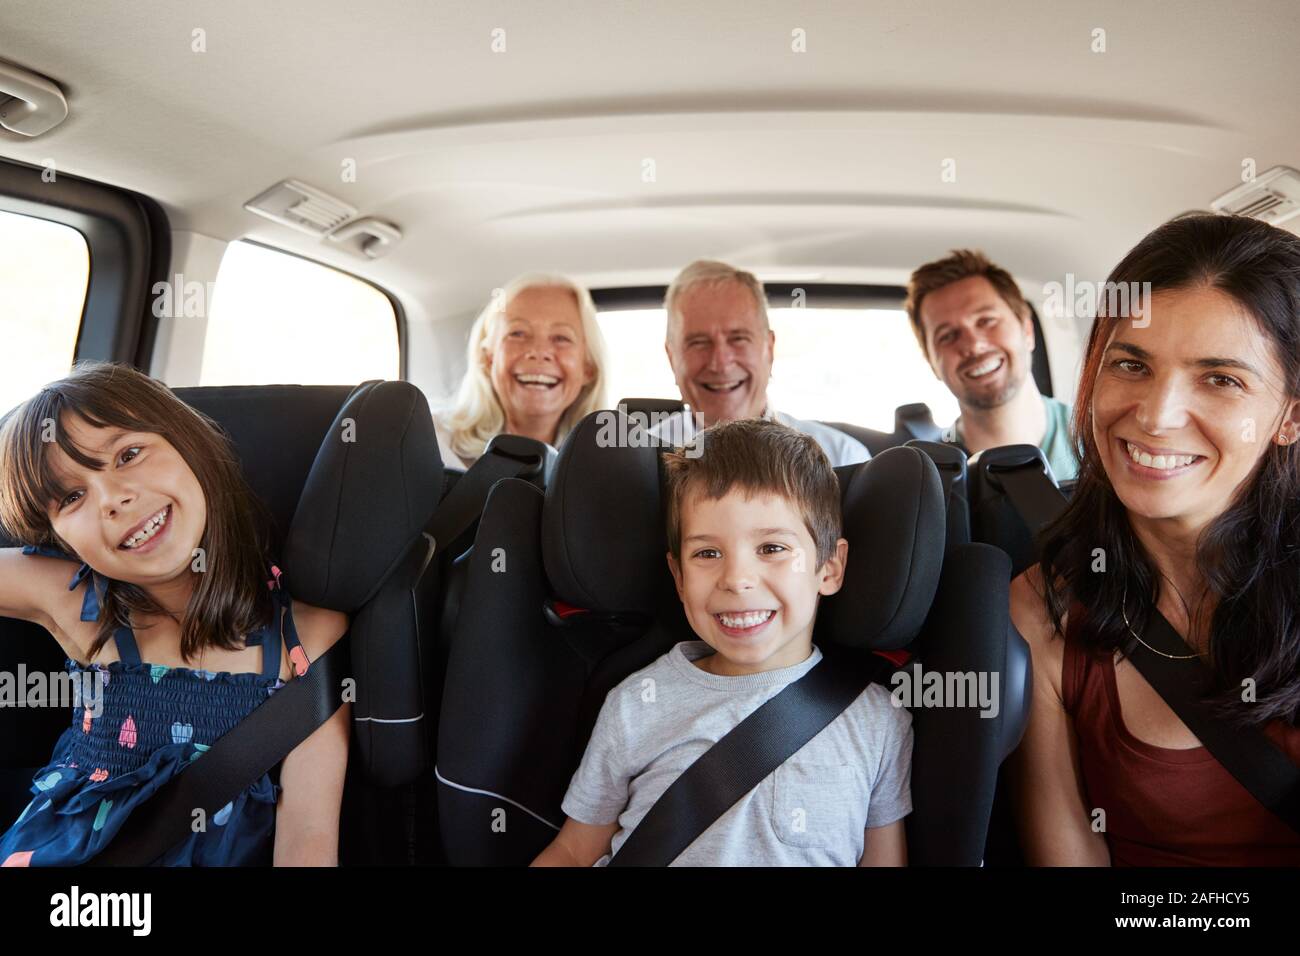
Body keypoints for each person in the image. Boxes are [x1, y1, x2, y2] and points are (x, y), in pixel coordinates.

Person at [1008, 214, 1300, 865]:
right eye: (1131, 364)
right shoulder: (1042, 607)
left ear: (1290, 415)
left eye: (1220, 378)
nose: (1156, 414)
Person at [0, 362, 350, 866]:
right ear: (60, 540)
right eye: (72, 497)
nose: (113, 499)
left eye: (129, 454)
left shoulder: (307, 639)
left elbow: (309, 842)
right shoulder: (80, 605)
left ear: (189, 443)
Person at [531, 419, 910, 866]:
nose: (737, 580)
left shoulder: (877, 722)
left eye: (772, 548)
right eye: (707, 554)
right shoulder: (636, 704)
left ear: (828, 567)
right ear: (678, 576)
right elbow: (575, 853)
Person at [650, 260, 870, 467]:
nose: (720, 363)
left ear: (769, 348)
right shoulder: (642, 461)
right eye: (698, 343)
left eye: (738, 339)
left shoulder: (842, 460)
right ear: (671, 357)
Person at [905, 250, 1078, 481]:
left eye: (986, 321)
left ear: (1027, 330)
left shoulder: (1099, 443)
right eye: (947, 336)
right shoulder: (927, 480)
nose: (974, 345)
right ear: (932, 363)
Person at [435, 273, 608, 469]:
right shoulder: (433, 443)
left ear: (588, 368)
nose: (539, 352)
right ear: (488, 359)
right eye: (517, 333)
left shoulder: (610, 460)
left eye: (561, 338)